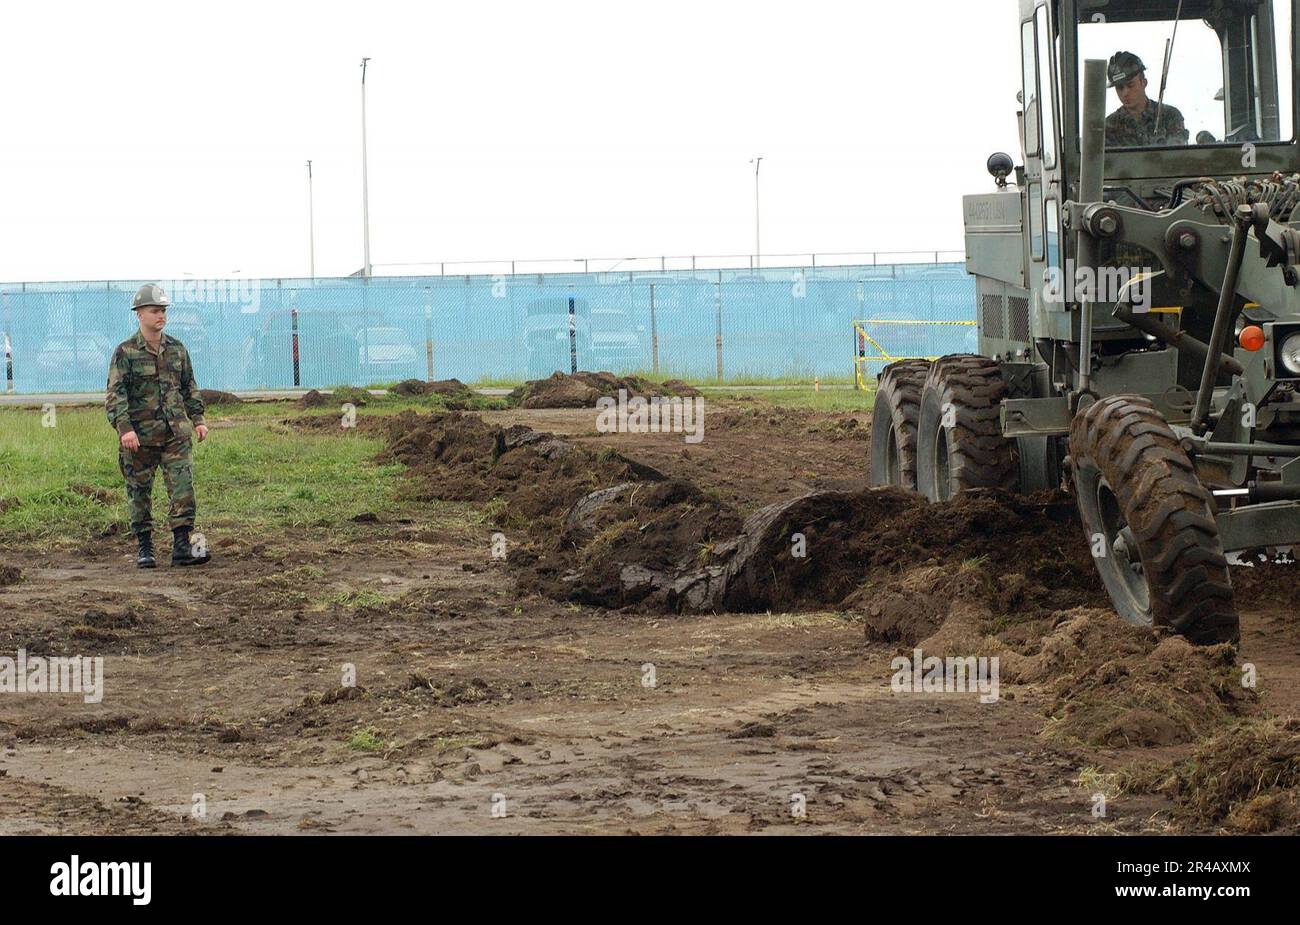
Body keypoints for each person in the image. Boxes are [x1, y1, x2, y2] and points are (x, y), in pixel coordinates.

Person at [105, 283, 211, 568]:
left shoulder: (177, 349)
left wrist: (197, 419)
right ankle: (145, 547)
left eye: (163, 310)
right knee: (139, 492)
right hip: (139, 437)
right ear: (139, 314)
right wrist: (124, 428)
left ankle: (181, 546)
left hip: (176, 434)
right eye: (154, 310)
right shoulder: (125, 352)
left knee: (183, 488)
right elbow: (116, 395)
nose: (160, 315)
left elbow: (189, 386)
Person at [1104, 51, 1189, 148]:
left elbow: (1178, 156)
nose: (1125, 93)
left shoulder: (1169, 116)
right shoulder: (1110, 125)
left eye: (1130, 85)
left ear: (1143, 83)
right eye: (1119, 87)